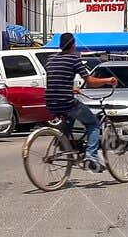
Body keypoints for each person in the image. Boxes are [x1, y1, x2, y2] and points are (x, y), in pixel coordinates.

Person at [43, 33, 118, 170]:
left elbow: (56, 80)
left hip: (50, 101)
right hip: (66, 101)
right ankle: (91, 156)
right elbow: (90, 81)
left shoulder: (50, 59)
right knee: (93, 123)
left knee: (69, 120)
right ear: (73, 45)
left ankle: (65, 143)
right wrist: (108, 80)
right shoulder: (74, 59)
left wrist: (71, 88)